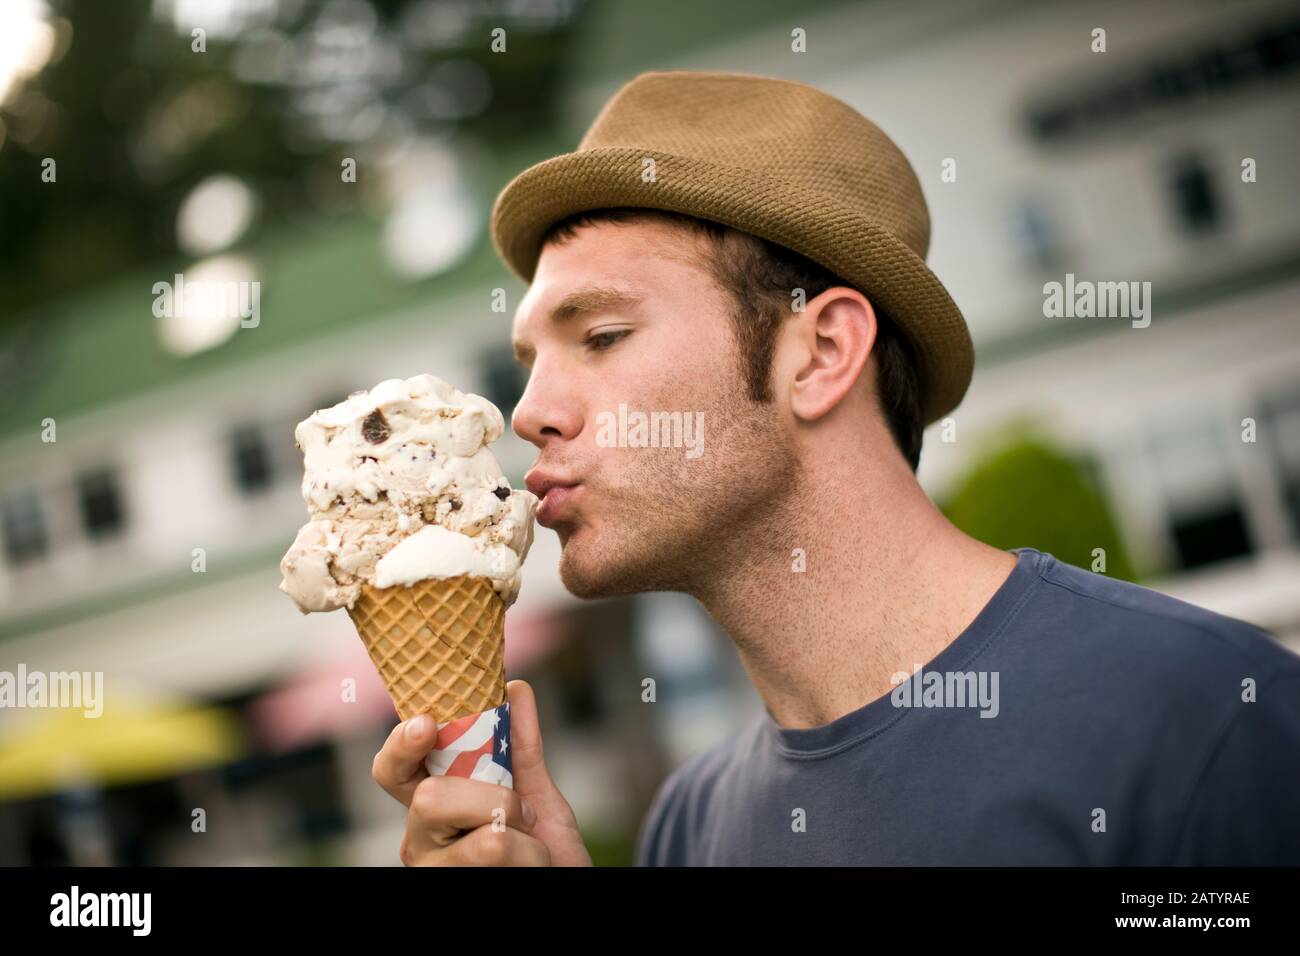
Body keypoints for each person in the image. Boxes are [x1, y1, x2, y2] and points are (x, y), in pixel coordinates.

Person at [370, 70, 1300, 866]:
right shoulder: (690, 828)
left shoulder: (1212, 722)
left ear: (820, 353)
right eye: (530, 365)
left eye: (603, 336)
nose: (530, 415)